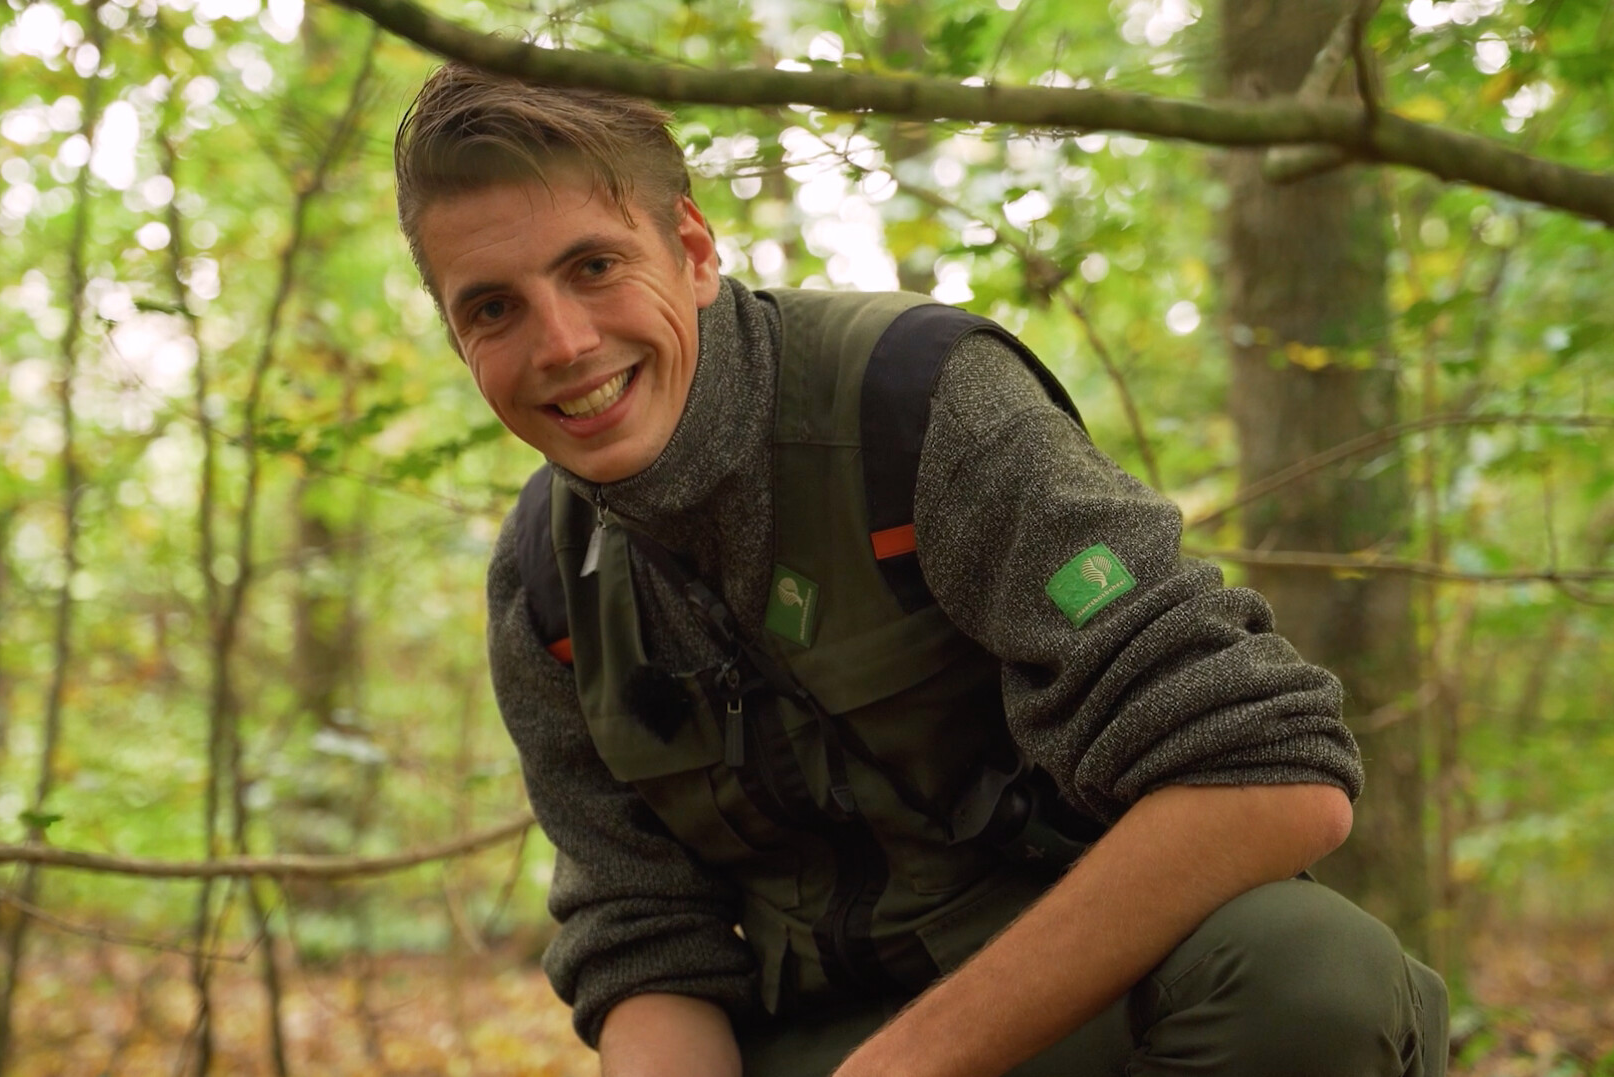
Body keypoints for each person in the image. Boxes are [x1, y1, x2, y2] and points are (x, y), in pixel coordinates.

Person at [392, 61, 1450, 1077]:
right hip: (819, 1033)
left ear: (694, 250)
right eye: (493, 308)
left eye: (593, 267)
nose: (562, 343)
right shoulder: (545, 583)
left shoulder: (917, 405)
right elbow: (645, 936)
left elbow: (1273, 777)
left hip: (1081, 1007)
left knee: (1311, 976)